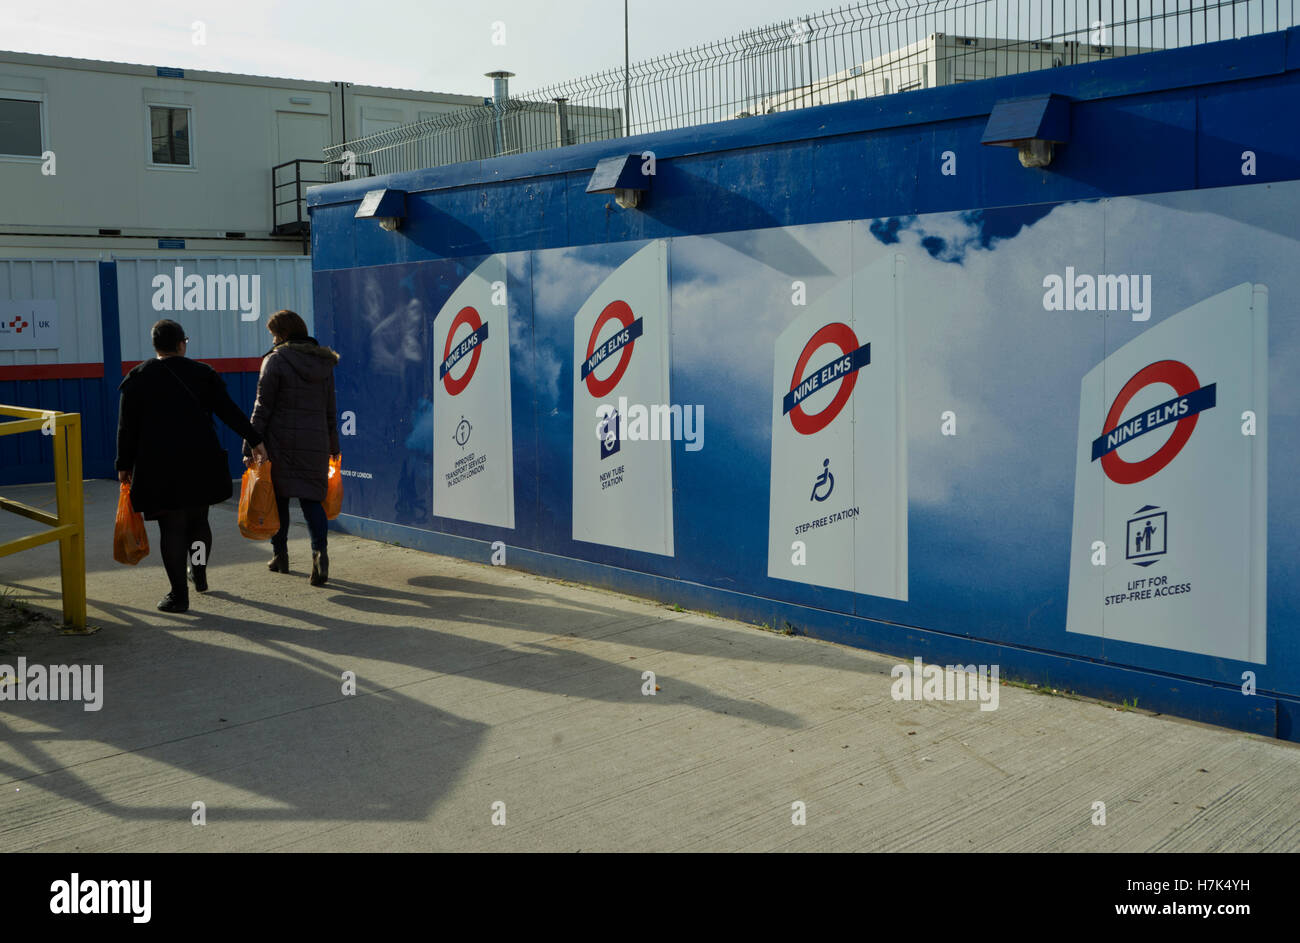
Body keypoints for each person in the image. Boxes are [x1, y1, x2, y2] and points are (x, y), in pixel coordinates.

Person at [116, 319, 267, 613]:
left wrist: (123, 464)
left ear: (155, 345)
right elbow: (228, 411)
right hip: (201, 461)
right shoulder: (203, 374)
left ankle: (178, 595)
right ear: (181, 343)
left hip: (159, 466)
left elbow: (127, 427)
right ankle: (198, 573)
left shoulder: (137, 378)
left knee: (171, 528)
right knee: (198, 522)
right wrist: (254, 439)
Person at [244, 309, 340, 586]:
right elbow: (330, 410)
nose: (273, 339)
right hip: (316, 442)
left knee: (280, 500)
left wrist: (249, 442)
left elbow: (262, 407)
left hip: (280, 442)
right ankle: (319, 554)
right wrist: (334, 445)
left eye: (274, 334)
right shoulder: (324, 363)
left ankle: (280, 556)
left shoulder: (275, 361)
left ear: (283, 334)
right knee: (312, 500)